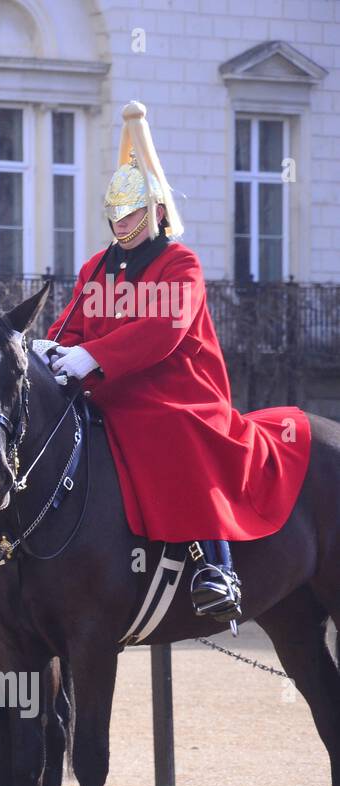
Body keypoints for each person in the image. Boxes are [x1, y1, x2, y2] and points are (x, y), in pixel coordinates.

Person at [44, 102, 311, 625]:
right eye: (115, 214)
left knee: (175, 428)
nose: (122, 223)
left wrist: (90, 356)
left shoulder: (179, 263)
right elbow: (71, 324)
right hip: (107, 388)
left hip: (177, 390)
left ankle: (216, 567)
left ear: (157, 212)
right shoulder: (95, 267)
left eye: (132, 213)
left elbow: (162, 332)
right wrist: (51, 349)